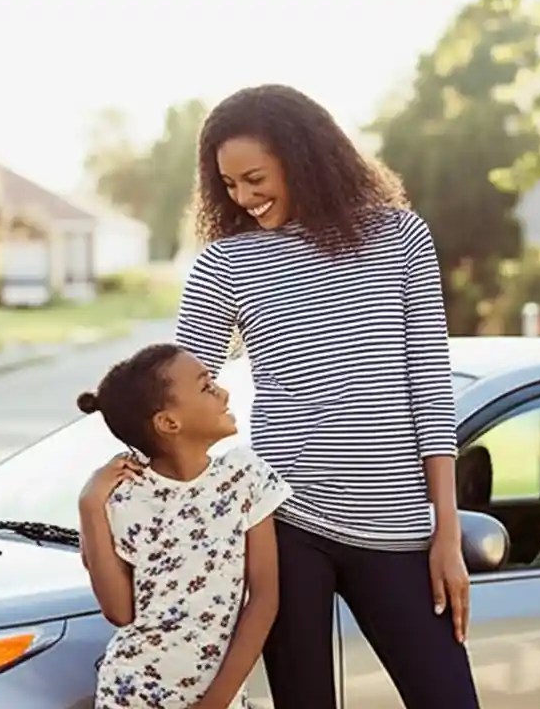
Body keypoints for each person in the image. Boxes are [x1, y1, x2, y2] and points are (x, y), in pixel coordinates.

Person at [174, 84, 481, 708]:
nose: (245, 198)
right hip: (285, 523)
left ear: (302, 155)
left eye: (255, 178)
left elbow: (430, 389)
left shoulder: (400, 237)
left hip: (396, 528)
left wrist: (445, 535)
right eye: (229, 185)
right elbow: (178, 393)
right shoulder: (226, 262)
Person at [76, 342, 293, 709]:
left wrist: (216, 702)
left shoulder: (245, 477)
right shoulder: (126, 500)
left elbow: (264, 599)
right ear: (168, 422)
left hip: (216, 698)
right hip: (130, 693)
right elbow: (119, 612)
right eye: (207, 387)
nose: (223, 392)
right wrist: (89, 505)